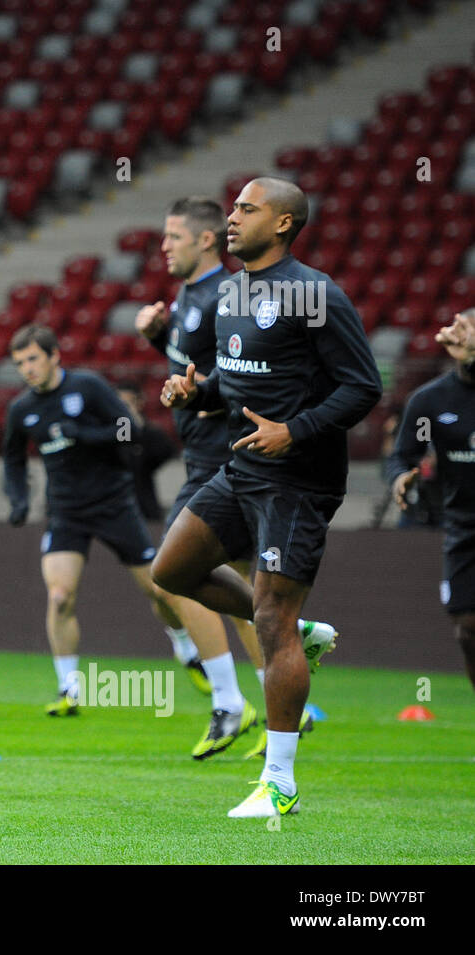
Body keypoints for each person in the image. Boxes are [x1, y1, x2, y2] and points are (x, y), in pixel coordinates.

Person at [154, 177, 381, 817]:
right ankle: (292, 631)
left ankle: (279, 783)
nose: (231, 218)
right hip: (240, 468)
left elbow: (363, 386)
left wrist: (295, 430)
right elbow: (236, 374)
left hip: (298, 481)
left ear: (282, 223)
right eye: (231, 208)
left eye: (246, 210)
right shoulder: (232, 290)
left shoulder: (313, 293)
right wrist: (196, 393)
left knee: (272, 618)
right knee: (171, 569)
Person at [4, 324, 232, 735]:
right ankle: (69, 686)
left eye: (33, 358)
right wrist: (19, 499)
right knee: (59, 596)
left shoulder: (88, 387)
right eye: (19, 363)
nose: (27, 369)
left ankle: (184, 647)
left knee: (159, 589)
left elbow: (130, 430)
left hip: (114, 504)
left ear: (55, 355)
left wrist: (84, 435)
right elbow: (13, 460)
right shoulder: (21, 409)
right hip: (66, 511)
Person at [133, 196, 277, 759]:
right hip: (201, 456)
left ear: (206, 240)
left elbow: (238, 377)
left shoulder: (228, 295)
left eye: (173, 236)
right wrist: (156, 339)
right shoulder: (188, 296)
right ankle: (280, 705)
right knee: (244, 588)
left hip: (222, 458)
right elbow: (191, 370)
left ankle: (228, 700)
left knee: (174, 572)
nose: (164, 245)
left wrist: (208, 401)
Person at [388, 308, 475, 694]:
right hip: (464, 525)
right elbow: (402, 455)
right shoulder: (430, 401)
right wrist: (399, 479)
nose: (459, 335)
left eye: (468, 329)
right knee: (466, 626)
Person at [115, 381, 177, 523]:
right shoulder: (113, 432)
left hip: (145, 505)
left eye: (127, 404)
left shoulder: (149, 432)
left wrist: (137, 426)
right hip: (116, 506)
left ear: (138, 403)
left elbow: (166, 451)